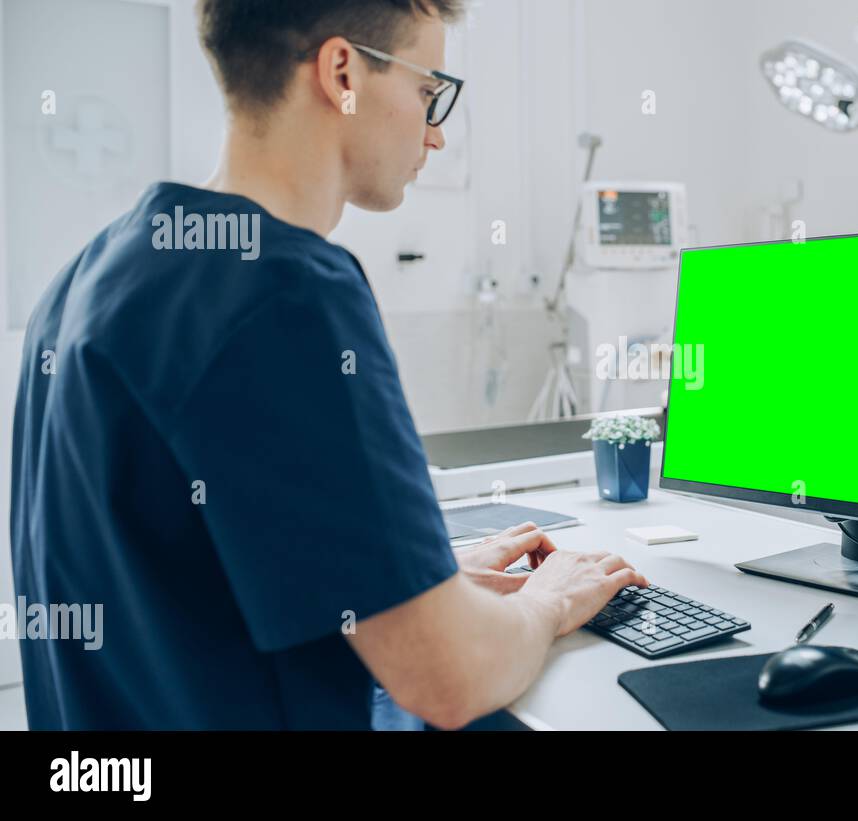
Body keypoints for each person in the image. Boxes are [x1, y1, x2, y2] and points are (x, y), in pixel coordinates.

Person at [11, 0, 647, 730]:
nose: (436, 133)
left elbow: (185, 581)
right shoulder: (288, 293)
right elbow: (450, 679)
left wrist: (414, 591)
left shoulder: (83, 281)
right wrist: (548, 599)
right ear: (342, 71)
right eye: (427, 91)